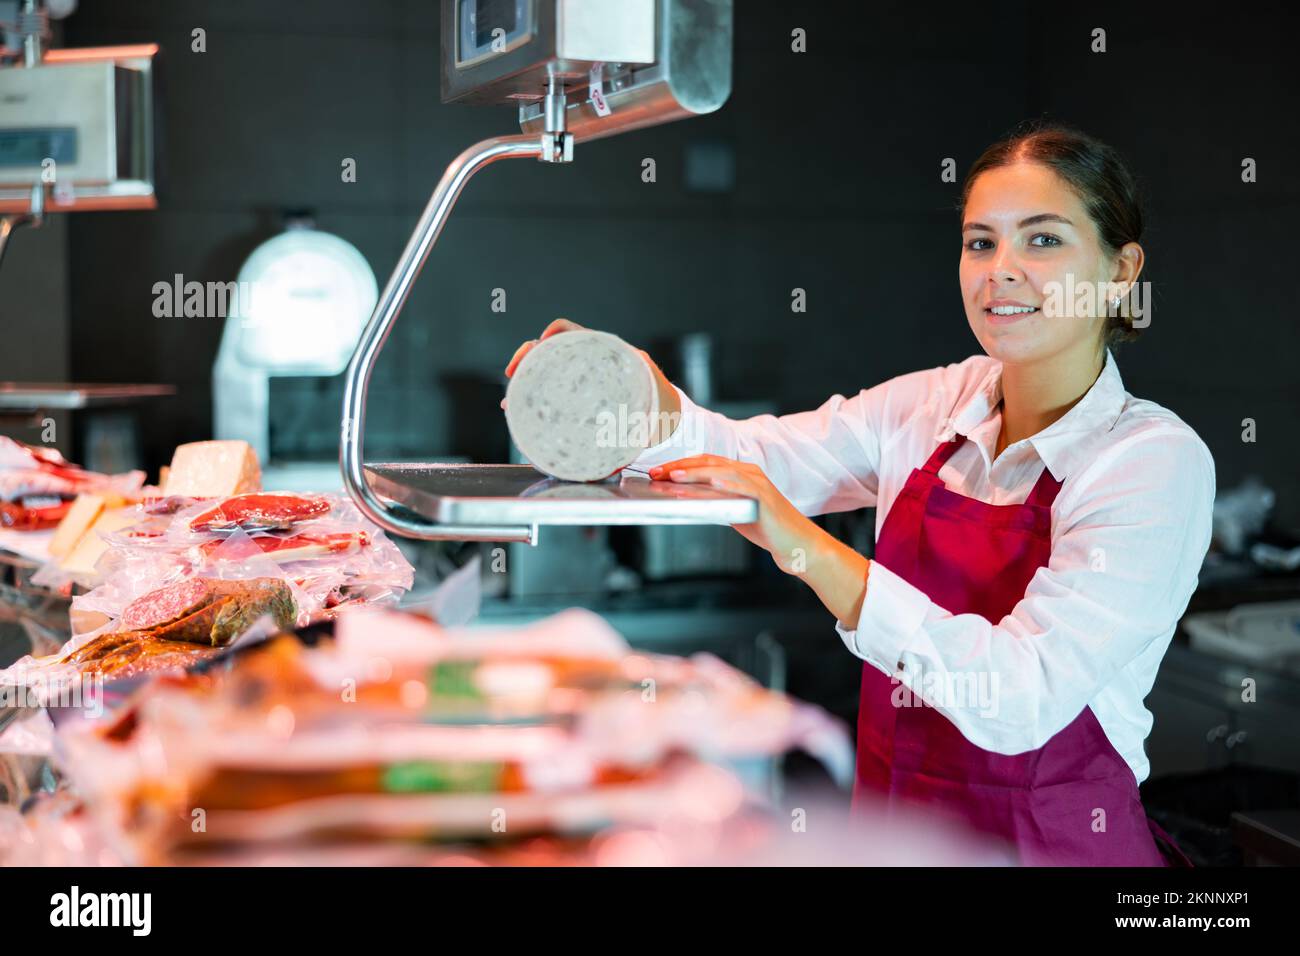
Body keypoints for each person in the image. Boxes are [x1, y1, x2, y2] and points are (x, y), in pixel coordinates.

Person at [504, 123, 1214, 866]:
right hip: (896, 845)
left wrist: (808, 549)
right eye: (980, 243)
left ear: (1121, 269)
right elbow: (758, 459)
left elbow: (1019, 696)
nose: (1002, 271)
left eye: (1042, 241)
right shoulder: (933, 402)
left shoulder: (1150, 462)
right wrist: (643, 407)